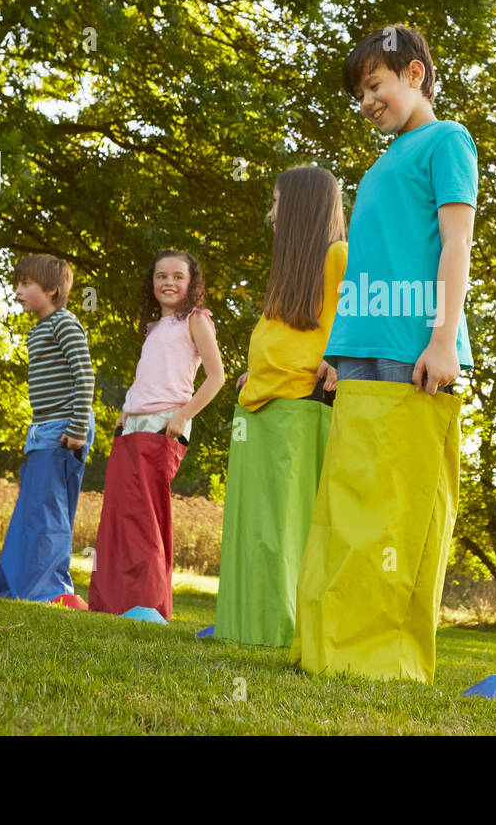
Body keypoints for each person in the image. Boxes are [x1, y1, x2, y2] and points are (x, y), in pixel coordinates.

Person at [290, 25, 477, 683]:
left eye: (374, 84)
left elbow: (457, 245)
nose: (366, 100)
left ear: (416, 74)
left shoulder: (446, 141)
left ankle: (380, 657)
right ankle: (335, 645)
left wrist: (443, 338)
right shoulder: (376, 168)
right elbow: (366, 264)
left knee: (397, 506)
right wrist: (339, 351)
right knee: (351, 503)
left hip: (415, 351)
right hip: (364, 350)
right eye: (360, 92)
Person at [215, 166, 347, 646]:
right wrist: (259, 370)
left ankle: (279, 630)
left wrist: (340, 360)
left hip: (301, 404)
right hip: (260, 403)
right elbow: (287, 335)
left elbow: (356, 317)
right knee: (252, 525)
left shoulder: (338, 256)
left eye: (276, 203)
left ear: (300, 209)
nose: (271, 213)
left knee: (283, 530)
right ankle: (244, 626)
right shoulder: (289, 271)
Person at [87, 249, 225, 620]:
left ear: (192, 282)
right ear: (151, 283)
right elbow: (148, 377)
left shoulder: (196, 320)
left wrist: (183, 416)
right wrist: (124, 413)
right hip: (132, 424)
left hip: (165, 424)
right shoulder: (154, 328)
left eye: (178, 276)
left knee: (146, 518)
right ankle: (112, 602)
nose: (169, 282)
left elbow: (217, 377)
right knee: (119, 515)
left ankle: (148, 605)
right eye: (161, 276)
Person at [0, 254, 97, 602]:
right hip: (42, 428)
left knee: (48, 514)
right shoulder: (38, 329)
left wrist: (78, 428)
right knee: (29, 512)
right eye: (17, 284)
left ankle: (50, 591)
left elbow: (85, 375)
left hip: (65, 428)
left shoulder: (64, 323)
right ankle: (19, 588)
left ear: (52, 290)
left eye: (26, 285)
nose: (18, 291)